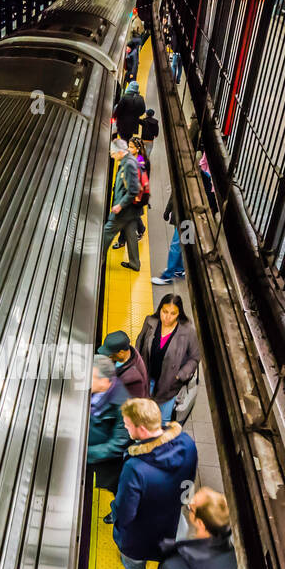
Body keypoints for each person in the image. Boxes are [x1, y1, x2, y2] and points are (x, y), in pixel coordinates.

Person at [106, 397, 198, 569]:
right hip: (171, 526)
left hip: (138, 538)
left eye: (128, 424)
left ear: (142, 429)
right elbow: (188, 482)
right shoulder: (187, 444)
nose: (126, 428)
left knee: (135, 567)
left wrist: (119, 532)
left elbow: (126, 513)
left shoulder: (136, 467)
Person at [135, 294, 200, 423]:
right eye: (164, 312)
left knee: (163, 420)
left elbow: (195, 357)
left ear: (179, 314)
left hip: (169, 384)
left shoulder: (187, 332)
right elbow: (139, 342)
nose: (167, 317)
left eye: (173, 313)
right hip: (148, 378)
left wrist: (180, 375)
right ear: (160, 309)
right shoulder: (150, 322)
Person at [88, 354, 131, 505]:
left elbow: (119, 443)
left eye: (91, 376)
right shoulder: (92, 389)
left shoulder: (123, 405)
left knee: (117, 490)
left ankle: (117, 509)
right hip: (92, 454)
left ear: (104, 381)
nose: (86, 379)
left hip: (107, 464)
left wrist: (87, 453)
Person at [102, 136, 144, 271]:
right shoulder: (128, 161)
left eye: (113, 154)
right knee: (131, 235)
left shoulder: (129, 164)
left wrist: (120, 205)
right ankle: (134, 263)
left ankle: (97, 259)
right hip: (131, 211)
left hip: (125, 210)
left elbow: (133, 190)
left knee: (107, 232)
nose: (112, 157)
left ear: (120, 151)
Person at [97, 330, 148, 401]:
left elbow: (132, 405)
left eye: (110, 355)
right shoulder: (128, 351)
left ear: (121, 353)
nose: (108, 357)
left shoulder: (134, 379)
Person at [153, 191, 186, 285]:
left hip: (185, 221)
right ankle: (179, 269)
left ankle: (167, 277)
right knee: (181, 246)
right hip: (186, 221)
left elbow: (173, 197)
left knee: (175, 247)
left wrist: (167, 211)